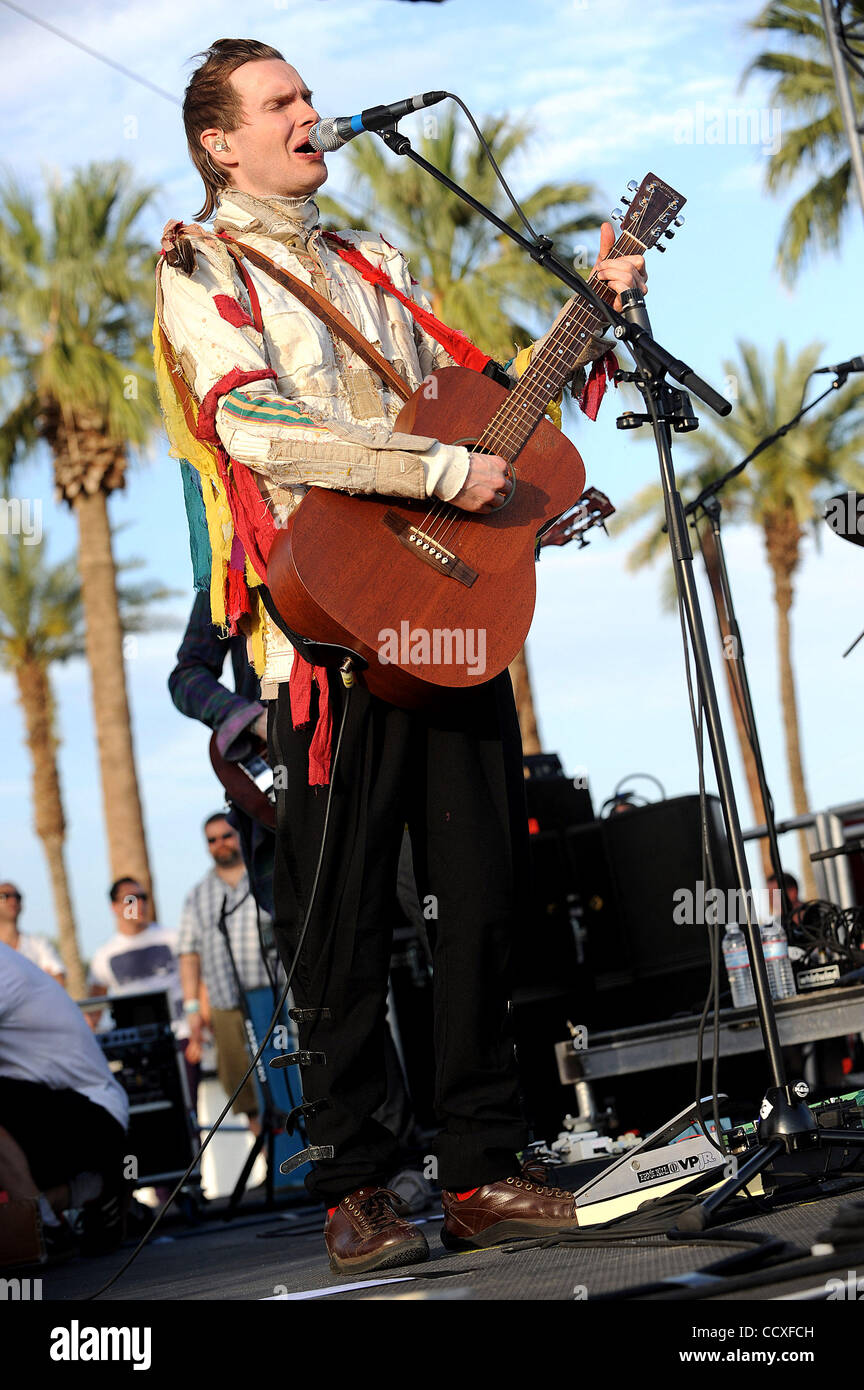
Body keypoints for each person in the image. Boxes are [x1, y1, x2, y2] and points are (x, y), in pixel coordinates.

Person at [156, 39, 647, 1273]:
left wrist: (590, 322)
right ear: (222, 142)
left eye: (310, 96)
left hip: (446, 616)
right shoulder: (201, 265)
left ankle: (485, 1165)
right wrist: (437, 472)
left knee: (483, 889)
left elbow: (478, 410)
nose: (313, 114)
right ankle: (360, 1189)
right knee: (341, 918)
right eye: (283, 104)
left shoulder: (374, 260)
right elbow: (257, 427)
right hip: (320, 627)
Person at [0, 942, 129, 1255]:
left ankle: (44, 1225)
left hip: (94, 1114)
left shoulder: (4, 970)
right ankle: (80, 1192)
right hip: (50, 1109)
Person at [178, 813, 275, 1135]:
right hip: (225, 1006)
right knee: (242, 1086)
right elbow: (189, 954)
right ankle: (267, 1161)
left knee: (283, 1074)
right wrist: (193, 1008)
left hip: (270, 998)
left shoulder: (265, 877)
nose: (220, 844)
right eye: (212, 839)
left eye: (226, 835)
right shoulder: (197, 895)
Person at [88, 877, 200, 1110]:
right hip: (137, 1049)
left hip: (180, 1038)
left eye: (143, 897)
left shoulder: (172, 938)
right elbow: (93, 1010)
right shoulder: (104, 956)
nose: (139, 904)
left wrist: (200, 1031)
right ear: (115, 907)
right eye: (131, 898)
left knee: (187, 1114)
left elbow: (200, 982)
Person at [0, 880, 65, 985]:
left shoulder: (38, 944)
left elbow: (58, 981)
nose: (13, 901)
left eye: (17, 896)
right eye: (4, 896)